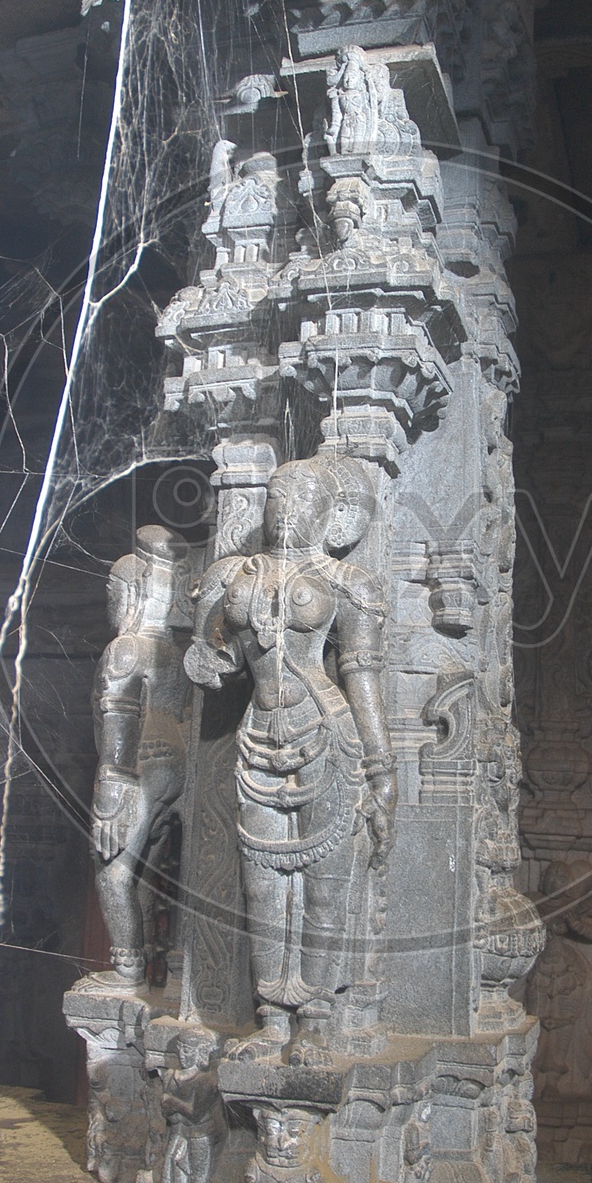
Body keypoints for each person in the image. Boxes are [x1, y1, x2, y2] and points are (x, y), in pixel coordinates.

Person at [186, 454, 394, 1064]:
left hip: (327, 733)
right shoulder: (232, 577)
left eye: (303, 500)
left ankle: (318, 1018)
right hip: (259, 735)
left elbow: (362, 677)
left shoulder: (348, 585)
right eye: (278, 498)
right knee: (264, 881)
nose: (287, 510)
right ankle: (273, 1014)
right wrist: (206, 656)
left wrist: (382, 768)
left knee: (325, 881)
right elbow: (213, 660)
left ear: (329, 514)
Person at [90, 525, 190, 988]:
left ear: (130, 593)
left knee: (114, 874)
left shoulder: (125, 650)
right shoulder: (174, 649)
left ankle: (128, 969)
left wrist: (112, 793)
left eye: (113, 589)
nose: (109, 601)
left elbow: (120, 726)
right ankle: (169, 973)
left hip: (140, 765)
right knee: (150, 872)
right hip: (179, 765)